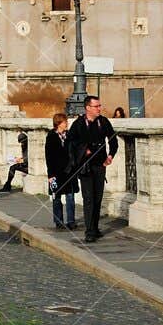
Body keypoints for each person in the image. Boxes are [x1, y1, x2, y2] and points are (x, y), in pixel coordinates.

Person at [64, 95, 118, 242]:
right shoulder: (79, 124)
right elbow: (69, 143)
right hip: (85, 166)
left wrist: (111, 155)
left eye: (100, 106)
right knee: (88, 199)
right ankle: (89, 231)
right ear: (88, 108)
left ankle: (95, 228)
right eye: (96, 106)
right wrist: (83, 149)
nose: (99, 108)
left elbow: (113, 140)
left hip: (100, 165)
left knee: (98, 198)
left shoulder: (103, 122)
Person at [44, 112, 76, 229]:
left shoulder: (69, 136)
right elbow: (49, 157)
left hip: (69, 172)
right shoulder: (51, 137)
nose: (67, 123)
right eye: (65, 122)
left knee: (70, 196)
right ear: (58, 123)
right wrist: (50, 174)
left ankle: (71, 221)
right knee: (56, 197)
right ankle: (59, 221)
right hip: (56, 172)